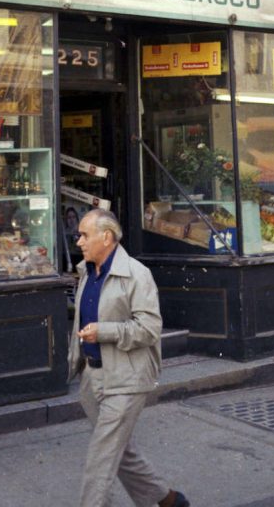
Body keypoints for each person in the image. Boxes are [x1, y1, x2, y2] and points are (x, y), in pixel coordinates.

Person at [68, 208, 189, 507]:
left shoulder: (137, 274)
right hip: (93, 377)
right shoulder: (87, 272)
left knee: (101, 458)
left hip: (127, 377)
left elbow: (149, 329)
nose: (79, 242)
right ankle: (167, 500)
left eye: (84, 235)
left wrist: (104, 331)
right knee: (118, 450)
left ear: (106, 237)